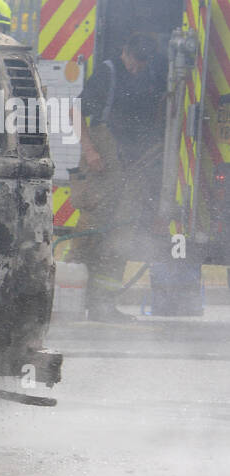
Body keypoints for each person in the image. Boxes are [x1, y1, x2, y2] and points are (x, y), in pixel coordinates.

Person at [73, 32, 167, 323]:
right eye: (133, 61)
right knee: (91, 233)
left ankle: (104, 305)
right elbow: (75, 111)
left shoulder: (148, 74)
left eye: (141, 62)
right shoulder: (108, 72)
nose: (136, 68)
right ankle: (70, 300)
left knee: (121, 237)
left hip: (132, 166)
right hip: (103, 163)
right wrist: (89, 151)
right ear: (124, 51)